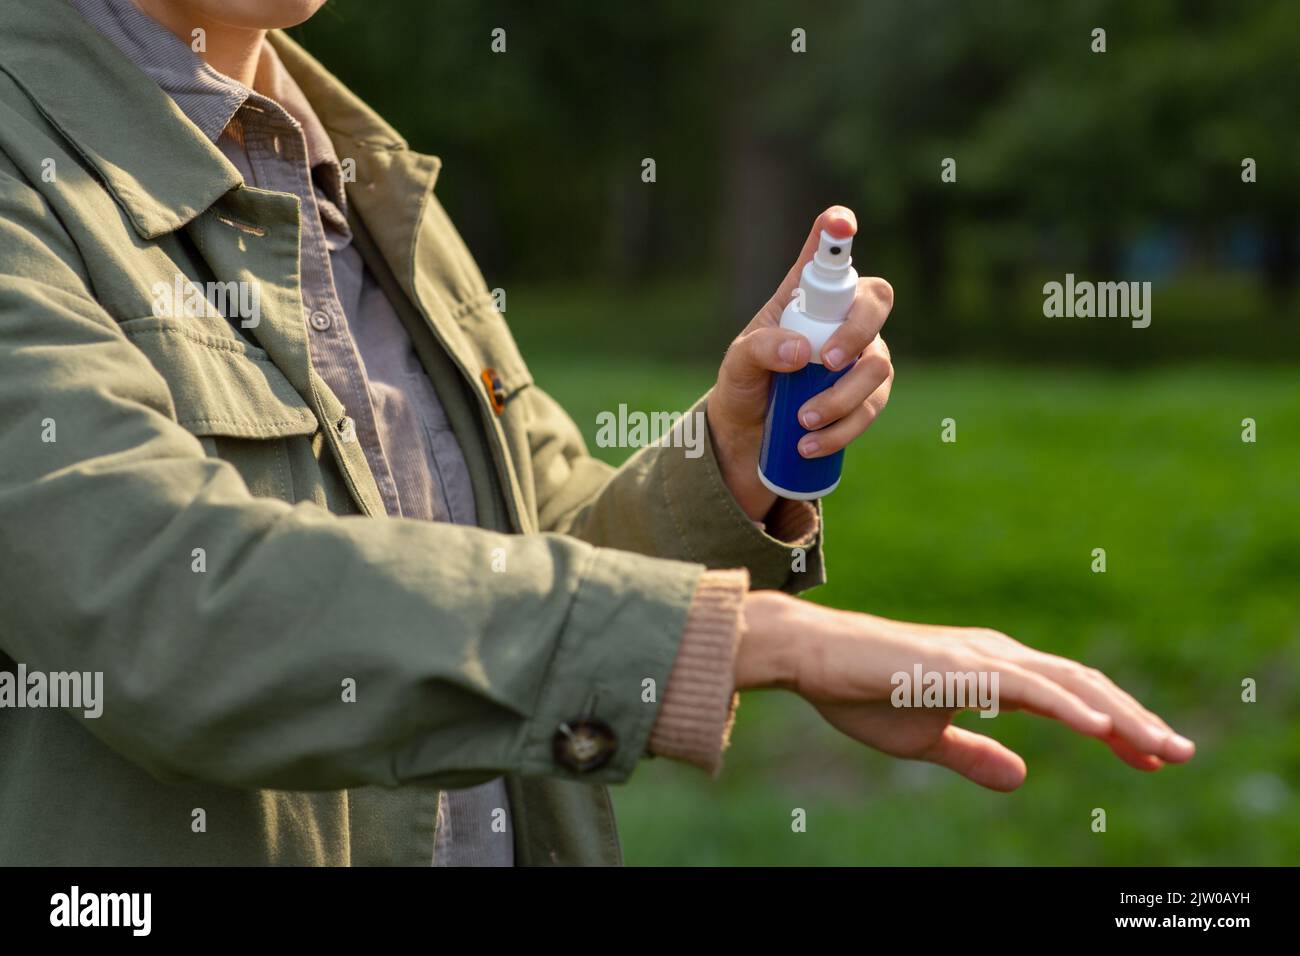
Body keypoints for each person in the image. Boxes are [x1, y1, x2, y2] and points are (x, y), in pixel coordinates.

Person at [0, 0, 1194, 866]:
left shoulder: (352, 168)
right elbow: (157, 603)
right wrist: (749, 639)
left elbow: (536, 537)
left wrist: (724, 457)